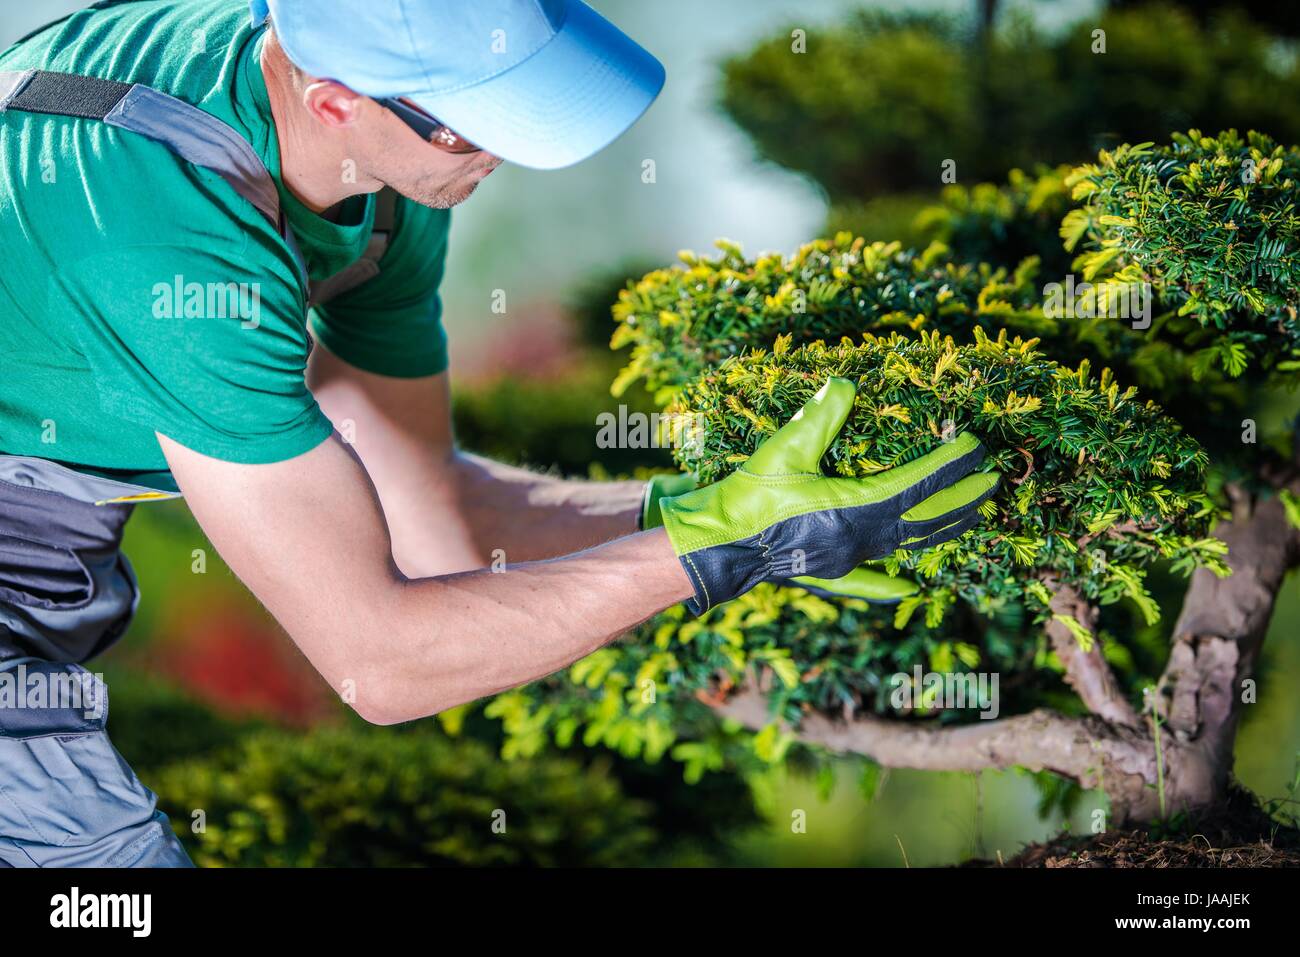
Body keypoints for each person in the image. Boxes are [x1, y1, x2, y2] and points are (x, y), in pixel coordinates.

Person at [0, 0, 997, 867]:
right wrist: (721, 553)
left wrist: (696, 511)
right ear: (333, 98)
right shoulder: (166, 238)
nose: (499, 153)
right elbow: (378, 665)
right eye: (470, 124)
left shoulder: (385, 182)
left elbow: (441, 518)